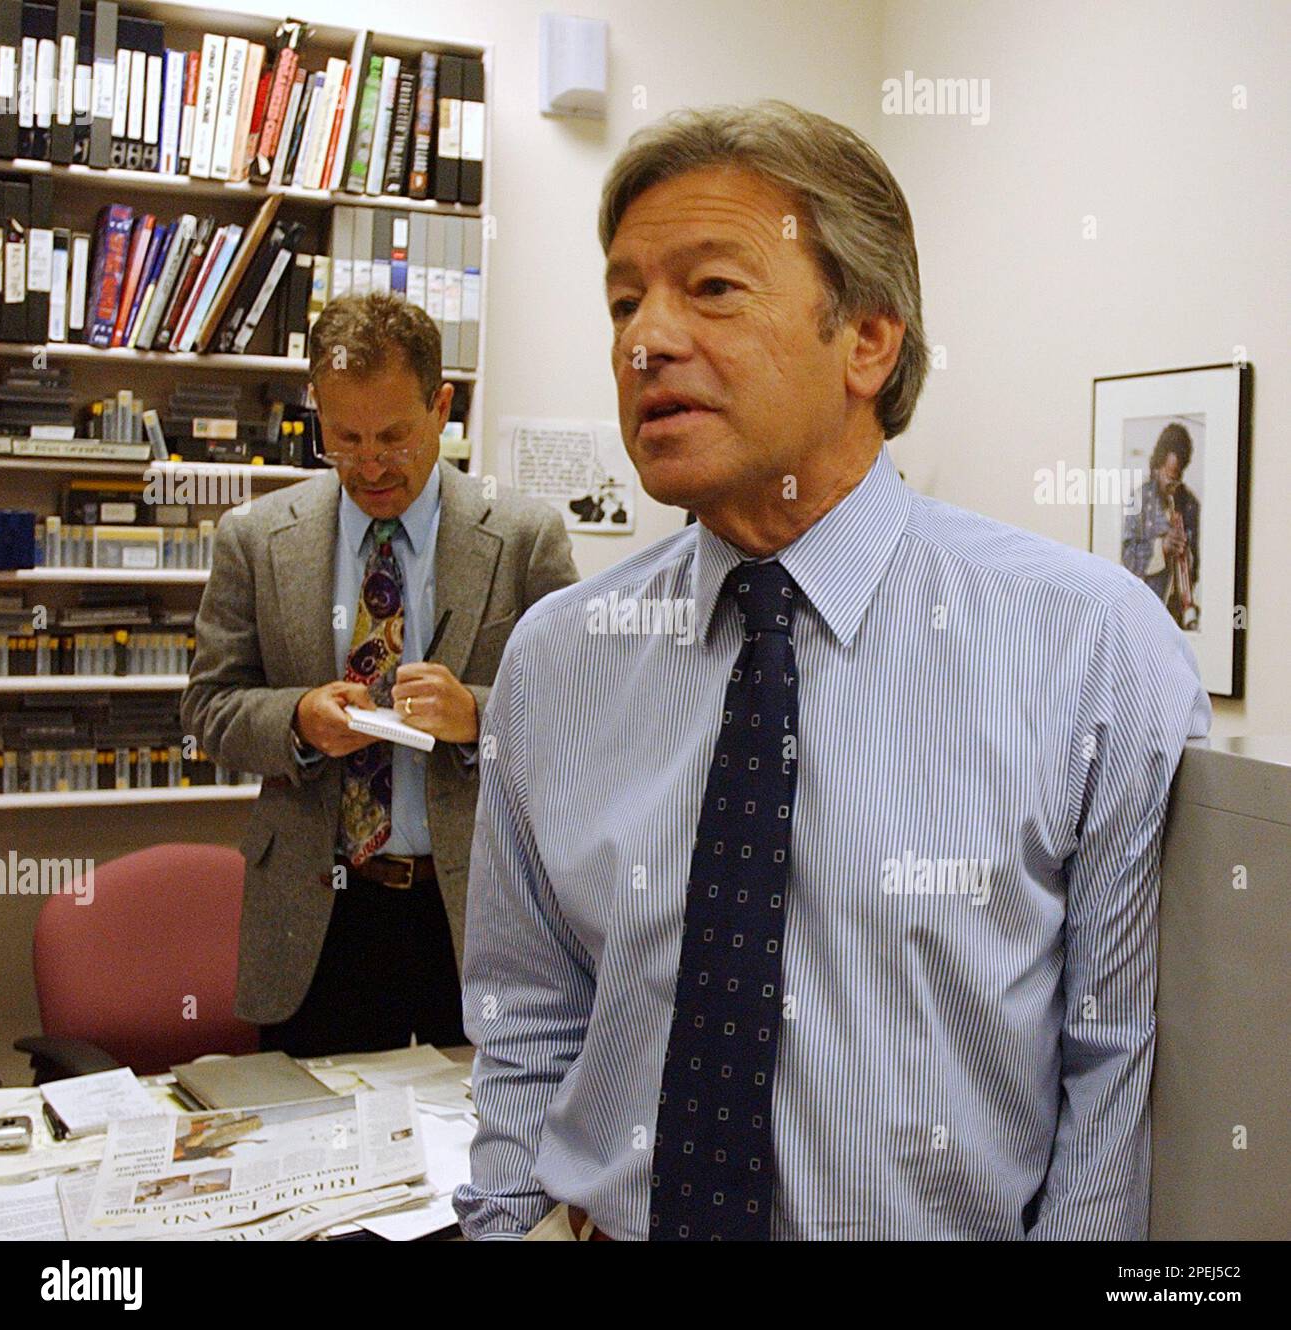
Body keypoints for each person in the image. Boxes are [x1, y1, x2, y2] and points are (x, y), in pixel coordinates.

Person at [455, 101, 1210, 1241]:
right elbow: (527, 1014)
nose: (642, 340)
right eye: (623, 300)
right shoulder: (556, 661)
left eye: (709, 287)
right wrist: (504, 1223)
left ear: (867, 338)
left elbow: (1115, 1077)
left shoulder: (1091, 650)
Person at [182, 292, 578, 1057]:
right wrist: (296, 720)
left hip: (472, 911)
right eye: (345, 437)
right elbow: (207, 707)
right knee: (311, 1143)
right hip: (318, 913)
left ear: (441, 407)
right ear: (315, 412)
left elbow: (588, 714)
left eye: (394, 437)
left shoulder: (525, 538)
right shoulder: (257, 538)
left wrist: (478, 717)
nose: (369, 466)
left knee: (478, 1152)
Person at [1121, 423, 1201, 629]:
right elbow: (1127, 556)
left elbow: (1197, 564)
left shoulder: (1190, 504)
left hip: (1178, 613)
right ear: (1156, 468)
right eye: (1169, 478)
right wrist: (1161, 547)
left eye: (1177, 479)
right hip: (1146, 612)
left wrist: (1188, 559)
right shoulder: (1137, 498)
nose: (1173, 488)